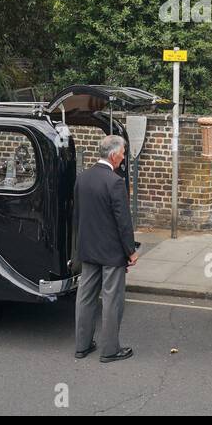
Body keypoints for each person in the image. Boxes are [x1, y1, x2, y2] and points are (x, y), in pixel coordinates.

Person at [74, 135, 139, 363]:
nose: (123, 157)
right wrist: (130, 251)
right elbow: (123, 222)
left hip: (88, 247)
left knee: (85, 297)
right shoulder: (115, 182)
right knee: (112, 300)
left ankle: (82, 346)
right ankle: (110, 350)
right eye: (122, 153)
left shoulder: (83, 178)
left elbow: (78, 215)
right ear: (113, 155)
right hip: (111, 252)